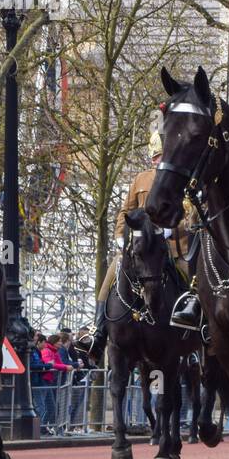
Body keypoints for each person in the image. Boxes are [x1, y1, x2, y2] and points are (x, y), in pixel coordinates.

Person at [75, 124, 196, 358]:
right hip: (140, 248)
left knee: (192, 279)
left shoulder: (182, 181)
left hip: (171, 249)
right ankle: (98, 330)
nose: (157, 160)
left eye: (161, 155)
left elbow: (191, 215)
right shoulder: (140, 179)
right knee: (112, 273)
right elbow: (125, 211)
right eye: (155, 156)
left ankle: (195, 333)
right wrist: (121, 236)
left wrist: (174, 230)